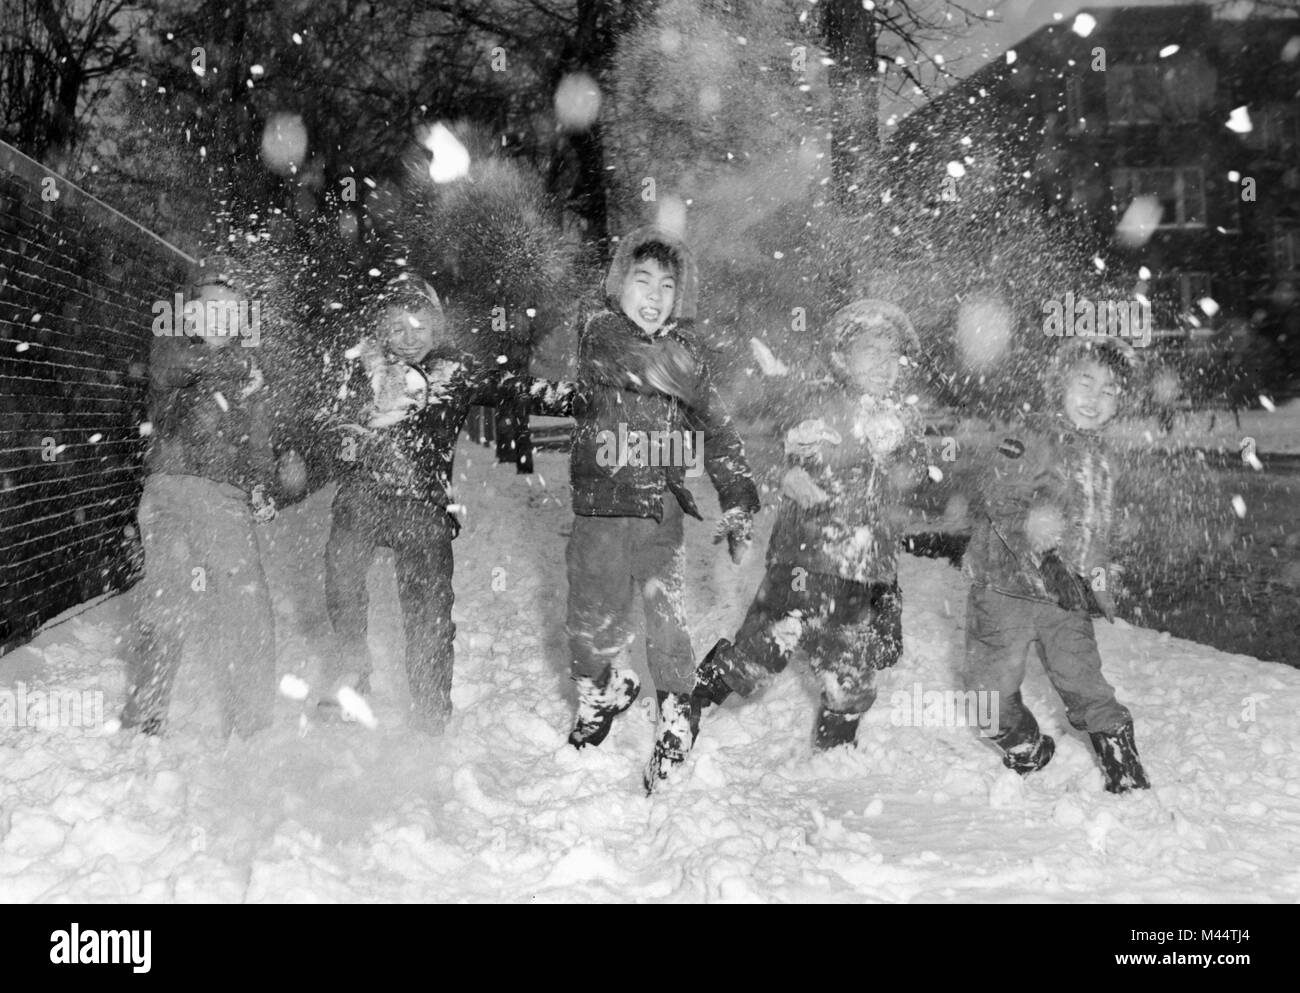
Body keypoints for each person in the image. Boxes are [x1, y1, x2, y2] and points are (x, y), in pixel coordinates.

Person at [321, 275, 584, 733]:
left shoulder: (453, 371)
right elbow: (326, 423)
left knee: (429, 616)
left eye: (419, 324)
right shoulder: (361, 368)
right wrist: (344, 442)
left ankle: (429, 715)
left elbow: (517, 389)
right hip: (362, 497)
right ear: (382, 330)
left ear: (436, 327)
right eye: (397, 326)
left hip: (423, 506)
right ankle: (352, 668)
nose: (409, 336)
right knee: (342, 576)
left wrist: (586, 398)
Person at [564, 226, 760, 793]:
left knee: (666, 622)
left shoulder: (688, 358)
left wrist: (739, 499)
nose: (653, 294)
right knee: (588, 624)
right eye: (641, 279)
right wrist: (677, 368)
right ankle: (601, 690)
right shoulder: (599, 333)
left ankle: (677, 709)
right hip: (597, 515)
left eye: (667, 286)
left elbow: (717, 432)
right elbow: (627, 357)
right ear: (618, 285)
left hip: (658, 516)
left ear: (680, 298)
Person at [692, 300, 926, 749]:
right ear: (842, 356)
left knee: (852, 682)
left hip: (862, 573)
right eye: (871, 350)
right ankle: (691, 702)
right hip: (802, 564)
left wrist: (901, 456)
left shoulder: (903, 419)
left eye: (892, 354)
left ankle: (834, 758)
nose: (884, 363)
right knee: (758, 656)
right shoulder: (814, 399)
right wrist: (785, 473)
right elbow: (755, 446)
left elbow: (920, 481)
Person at [960, 337, 1150, 793]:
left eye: (1109, 390)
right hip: (1004, 590)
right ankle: (1024, 744)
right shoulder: (1027, 438)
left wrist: (1103, 577)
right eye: (1085, 381)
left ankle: (1125, 774)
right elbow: (998, 496)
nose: (1094, 397)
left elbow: (1097, 536)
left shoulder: (1103, 459)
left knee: (1085, 683)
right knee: (988, 695)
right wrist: (1031, 524)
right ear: (1058, 383)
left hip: (1065, 599)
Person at [124, 259, 303, 737]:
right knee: (167, 603)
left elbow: (258, 440)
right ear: (190, 316)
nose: (221, 319)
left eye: (232, 310)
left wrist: (263, 484)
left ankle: (251, 724)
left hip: (224, 500)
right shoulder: (174, 349)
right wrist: (235, 366)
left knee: (247, 605)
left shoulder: (250, 372)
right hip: (168, 493)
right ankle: (146, 715)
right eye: (210, 309)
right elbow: (170, 368)